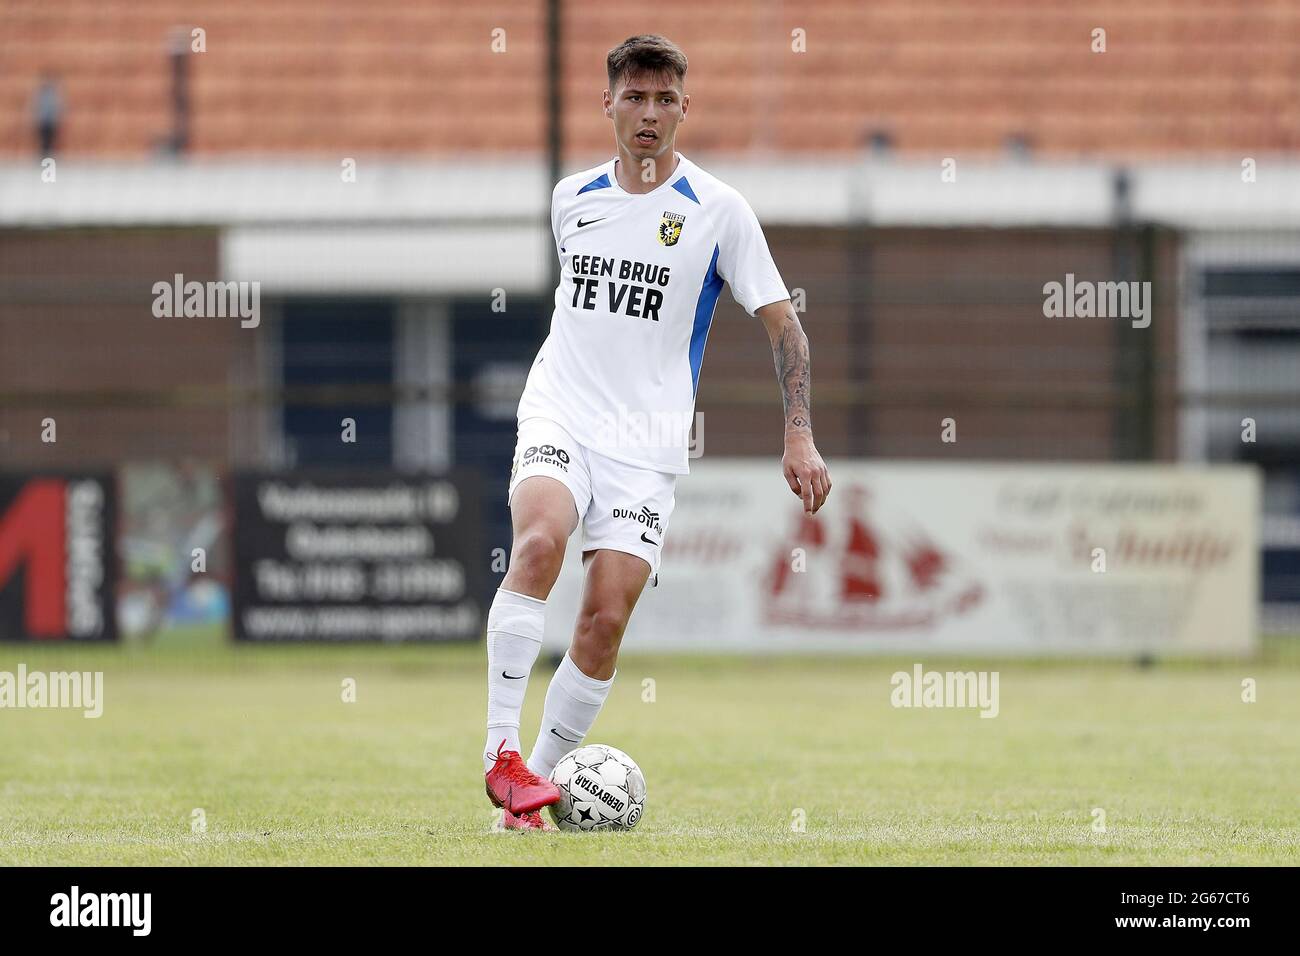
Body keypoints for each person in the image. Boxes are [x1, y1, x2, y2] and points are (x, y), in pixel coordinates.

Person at [482, 34, 831, 830]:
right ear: (607, 103)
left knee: (604, 621)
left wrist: (799, 434)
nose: (647, 113)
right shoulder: (572, 198)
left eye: (663, 98)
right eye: (633, 97)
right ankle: (500, 754)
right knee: (539, 541)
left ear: (684, 107)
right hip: (561, 410)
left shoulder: (719, 212)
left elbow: (787, 330)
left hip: (646, 446)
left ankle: (527, 795)